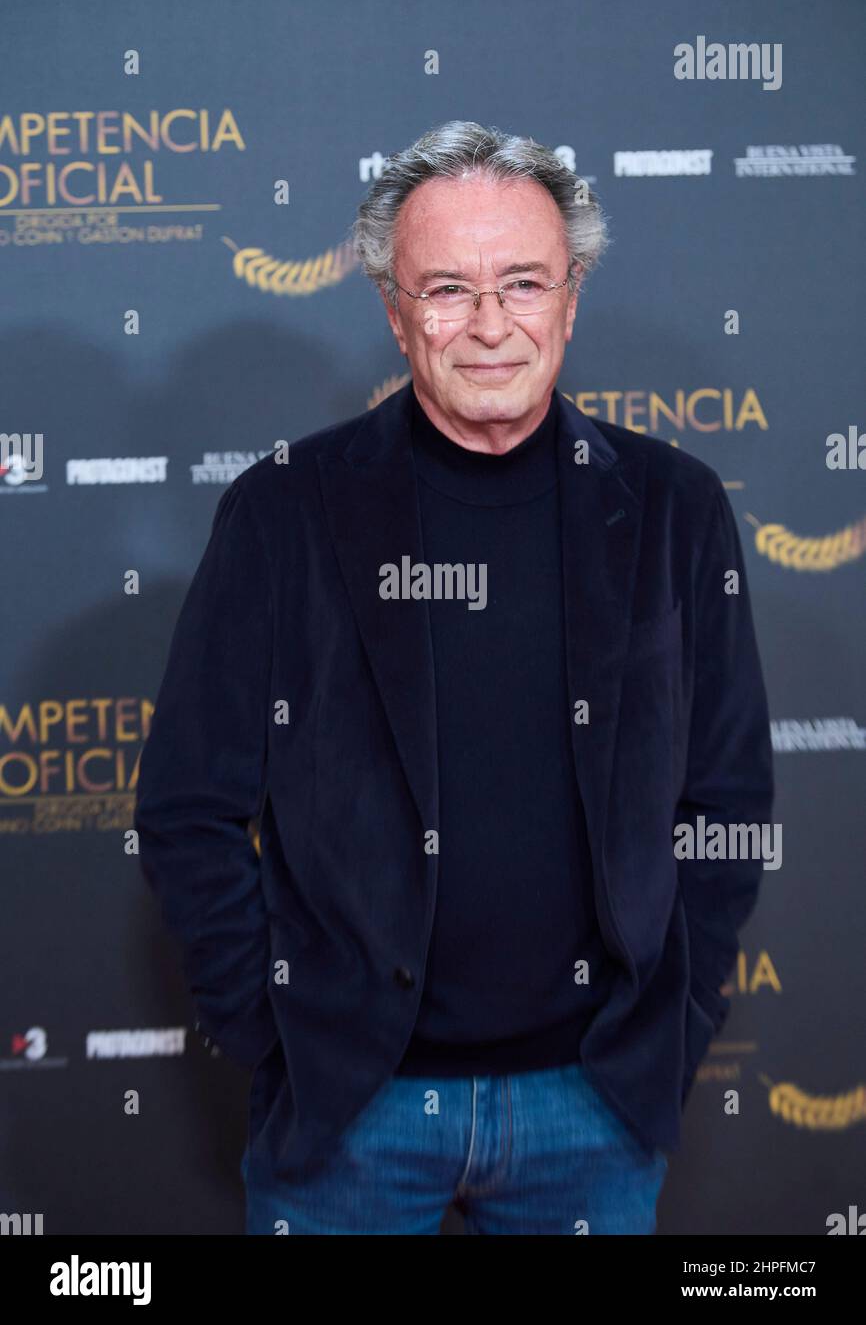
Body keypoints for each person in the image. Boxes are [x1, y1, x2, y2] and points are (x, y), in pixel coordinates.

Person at [135, 120, 773, 1235]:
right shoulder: (284, 512)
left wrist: (672, 1025)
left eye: (522, 282)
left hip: (595, 1103)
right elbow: (188, 810)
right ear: (394, 310)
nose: (488, 325)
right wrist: (275, 1035)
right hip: (349, 1109)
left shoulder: (675, 508)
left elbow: (723, 800)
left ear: (570, 297)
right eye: (446, 289)